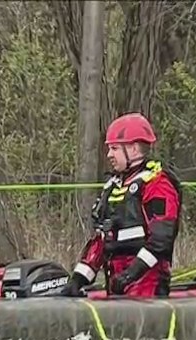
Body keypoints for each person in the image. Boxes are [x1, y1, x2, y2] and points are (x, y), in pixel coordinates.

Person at [69, 113, 183, 299]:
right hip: (117, 282)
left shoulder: (158, 184)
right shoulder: (113, 186)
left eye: (114, 148)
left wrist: (130, 275)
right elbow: (102, 240)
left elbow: (161, 240)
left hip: (147, 284)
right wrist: (78, 279)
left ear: (134, 149)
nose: (109, 155)